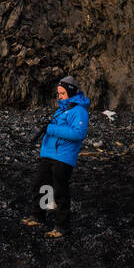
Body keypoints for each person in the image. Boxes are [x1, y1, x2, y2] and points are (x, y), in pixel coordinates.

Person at [22, 76, 91, 238]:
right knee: (41, 185)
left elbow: (78, 133)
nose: (59, 96)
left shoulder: (79, 111)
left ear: (71, 92)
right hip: (48, 154)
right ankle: (38, 217)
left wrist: (51, 129)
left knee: (60, 192)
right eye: (58, 93)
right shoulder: (62, 109)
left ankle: (62, 227)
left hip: (63, 157)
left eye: (62, 93)